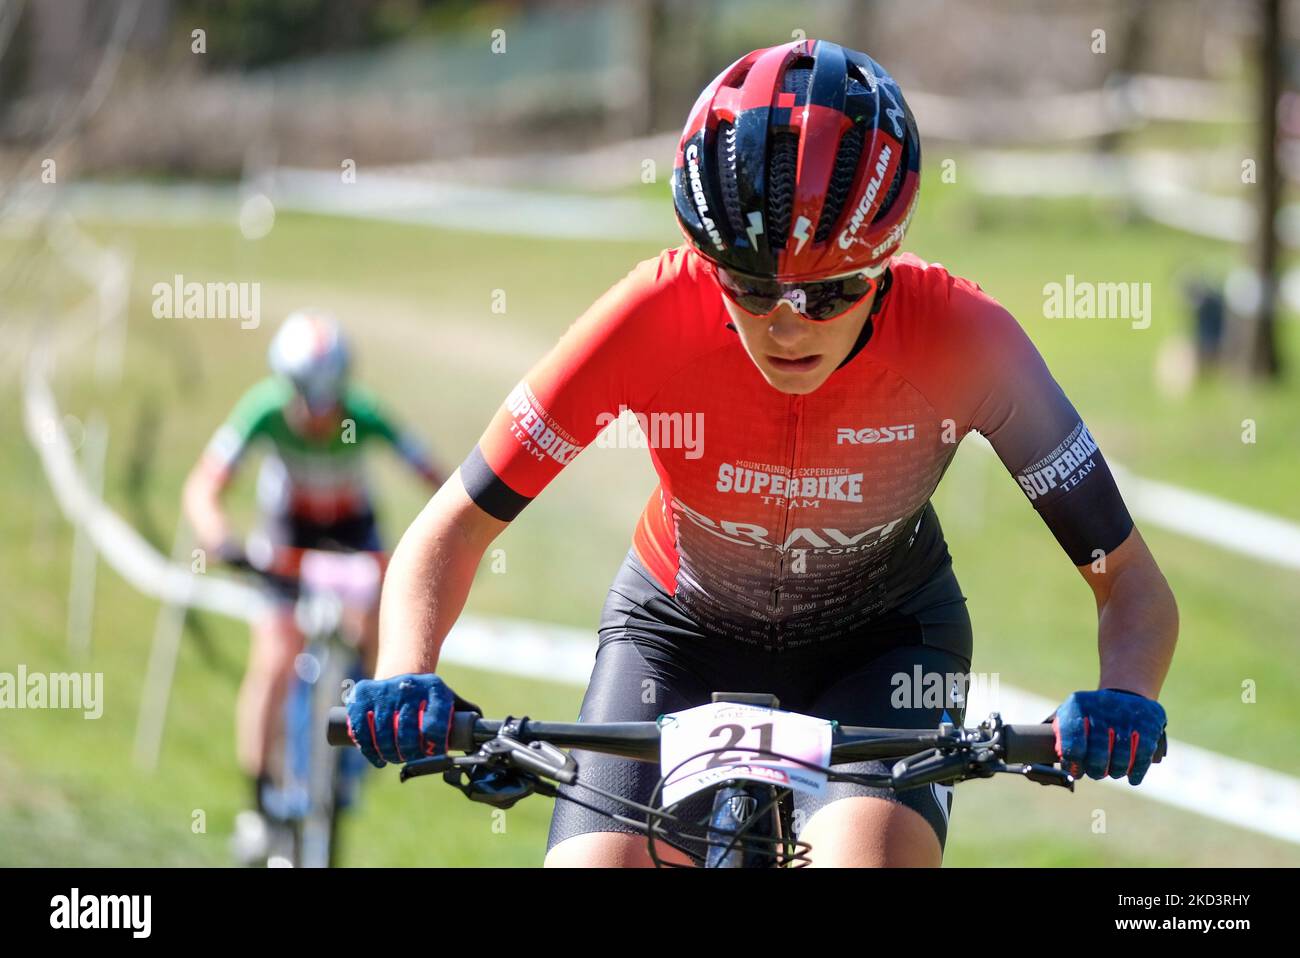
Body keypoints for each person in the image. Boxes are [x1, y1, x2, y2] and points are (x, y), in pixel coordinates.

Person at [347, 39, 1177, 867]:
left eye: (830, 292)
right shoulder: (648, 317)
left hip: (884, 644)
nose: (787, 325)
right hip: (676, 632)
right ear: (706, 262)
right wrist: (406, 669)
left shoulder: (967, 343)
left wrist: (1125, 696)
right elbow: (451, 528)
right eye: (747, 285)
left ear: (885, 262)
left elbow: (1132, 588)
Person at [182, 309, 446, 834]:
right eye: (307, 397)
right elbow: (202, 486)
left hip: (352, 530)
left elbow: (437, 480)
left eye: (330, 399)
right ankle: (257, 799)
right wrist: (220, 539)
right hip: (289, 529)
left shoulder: (365, 414)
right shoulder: (263, 410)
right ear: (288, 386)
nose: (320, 415)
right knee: (275, 658)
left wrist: (443, 547)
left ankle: (369, 726)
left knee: (377, 625)